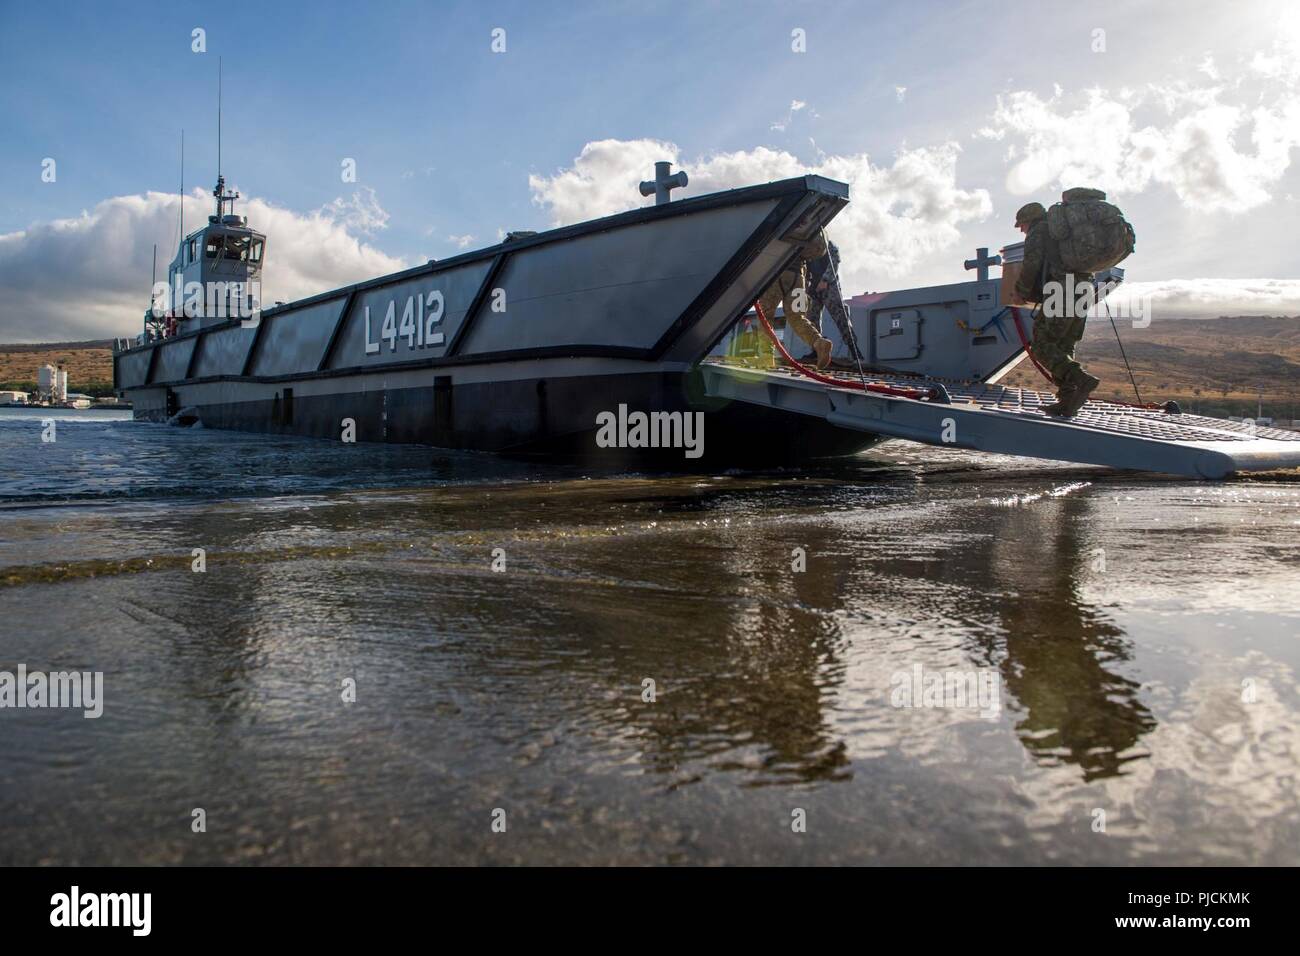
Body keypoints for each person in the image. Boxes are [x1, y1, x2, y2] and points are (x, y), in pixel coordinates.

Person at [1014, 201, 1100, 417]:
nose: (1022, 230)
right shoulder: (1064, 231)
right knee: (1064, 344)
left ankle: (1081, 380)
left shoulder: (1039, 230)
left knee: (1042, 345)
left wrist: (1021, 290)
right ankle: (1067, 399)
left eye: (1021, 225)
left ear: (1029, 220)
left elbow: (1031, 262)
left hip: (1061, 288)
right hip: (1084, 288)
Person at [755, 232, 834, 369]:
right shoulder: (807, 226)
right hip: (799, 277)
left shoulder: (785, 222)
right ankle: (818, 342)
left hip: (778, 272)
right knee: (797, 317)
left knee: (765, 316)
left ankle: (766, 357)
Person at [804, 237, 864, 364]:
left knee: (840, 317)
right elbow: (804, 267)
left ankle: (854, 350)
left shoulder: (828, 244)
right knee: (812, 319)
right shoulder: (806, 247)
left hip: (830, 287)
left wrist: (825, 280)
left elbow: (834, 261)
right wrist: (807, 285)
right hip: (813, 287)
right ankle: (816, 349)